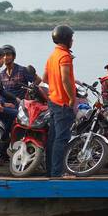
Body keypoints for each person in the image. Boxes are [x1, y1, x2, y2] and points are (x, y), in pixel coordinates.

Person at [43, 24, 79, 178]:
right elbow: (65, 78)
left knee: (52, 138)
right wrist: (71, 97)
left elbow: (45, 77)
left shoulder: (52, 56)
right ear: (66, 39)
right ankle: (58, 173)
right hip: (63, 103)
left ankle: (50, 171)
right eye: (71, 38)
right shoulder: (64, 56)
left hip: (52, 100)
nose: (72, 41)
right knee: (62, 139)